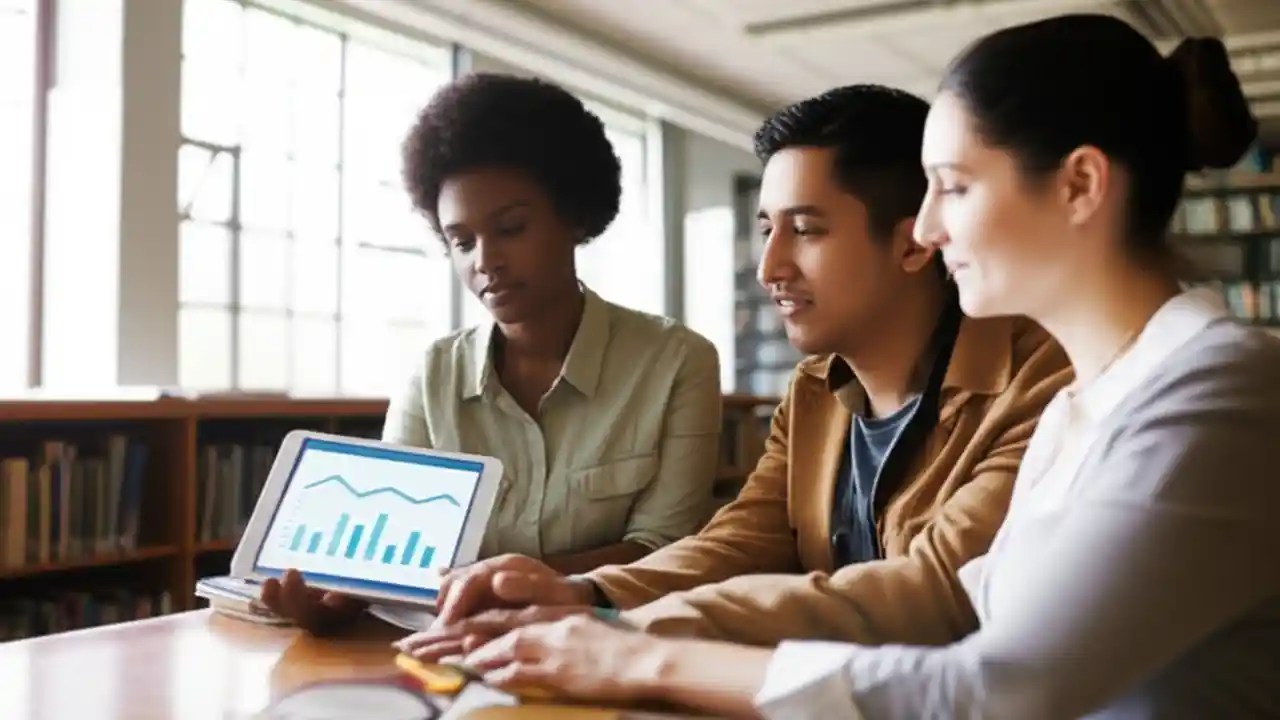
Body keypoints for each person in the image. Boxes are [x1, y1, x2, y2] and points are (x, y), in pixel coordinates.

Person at [425, 14, 1280, 719]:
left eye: (953, 186)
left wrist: (636, 648)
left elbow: (985, 669)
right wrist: (599, 604)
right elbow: (962, 607)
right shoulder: (1086, 408)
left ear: (1080, 186)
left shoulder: (1215, 394)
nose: (931, 229)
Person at [398, 84, 1071, 660]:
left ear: (911, 241)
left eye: (805, 230)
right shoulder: (814, 393)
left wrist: (619, 625)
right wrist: (585, 593)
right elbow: (738, 541)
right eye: (765, 229)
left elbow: (939, 592)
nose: (769, 268)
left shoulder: (1040, 380)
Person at [259, 73, 723, 632]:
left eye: (511, 228)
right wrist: (339, 601)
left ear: (574, 217)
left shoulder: (676, 362)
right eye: (461, 241)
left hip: (609, 645)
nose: (485, 260)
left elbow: (666, 550)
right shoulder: (432, 375)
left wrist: (504, 586)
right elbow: (392, 561)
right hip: (453, 646)